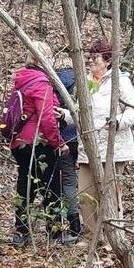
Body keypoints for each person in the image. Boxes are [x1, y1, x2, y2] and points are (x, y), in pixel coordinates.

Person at [72, 38, 134, 239]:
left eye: (96, 58)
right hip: (88, 148)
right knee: (85, 194)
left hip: (113, 148)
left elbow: (133, 111)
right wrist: (65, 115)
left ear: (108, 60)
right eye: (90, 58)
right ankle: (92, 236)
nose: (91, 62)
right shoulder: (85, 82)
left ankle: (115, 237)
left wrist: (117, 122)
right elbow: (80, 113)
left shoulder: (120, 81)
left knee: (110, 195)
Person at [6, 41, 70, 245]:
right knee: (51, 186)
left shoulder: (22, 79)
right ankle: (56, 232)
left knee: (25, 186)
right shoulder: (41, 82)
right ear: (42, 58)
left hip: (19, 141)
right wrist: (58, 143)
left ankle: (21, 232)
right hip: (39, 141)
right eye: (49, 56)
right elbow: (46, 118)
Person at [54, 52, 83, 243]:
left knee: (61, 182)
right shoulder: (81, 81)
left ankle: (60, 222)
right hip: (77, 137)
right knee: (72, 181)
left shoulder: (53, 82)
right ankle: (76, 224)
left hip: (59, 138)